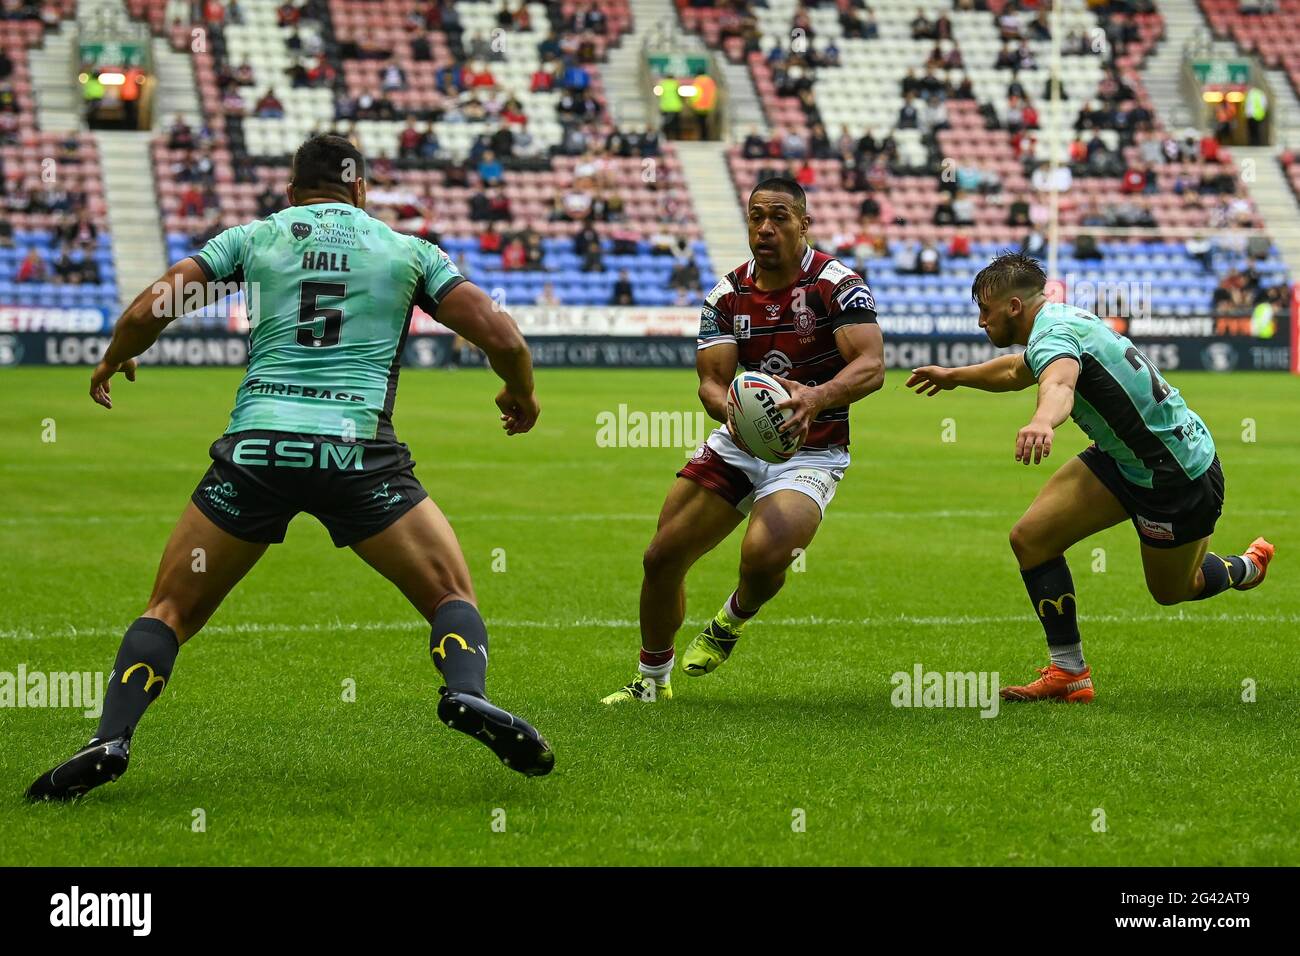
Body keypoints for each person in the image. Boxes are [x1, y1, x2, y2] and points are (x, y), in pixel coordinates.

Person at [26, 134, 555, 802]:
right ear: (361, 189)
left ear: (290, 191)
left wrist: (114, 356)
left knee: (169, 609)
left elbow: (149, 307)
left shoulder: (254, 237)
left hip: (258, 450)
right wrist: (522, 393)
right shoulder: (406, 250)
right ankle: (465, 694)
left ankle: (111, 736)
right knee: (450, 596)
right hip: (357, 454)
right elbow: (502, 336)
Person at [905, 253, 1274, 703]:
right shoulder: (1059, 319)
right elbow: (1018, 370)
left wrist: (1043, 421)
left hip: (1175, 475)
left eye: (986, 310)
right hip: (1123, 459)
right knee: (1031, 539)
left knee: (1175, 589)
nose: (982, 322)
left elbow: (1058, 383)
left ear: (1014, 307)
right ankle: (1069, 671)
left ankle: (1244, 568)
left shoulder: (1054, 335)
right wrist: (954, 376)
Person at [601, 178, 884, 703]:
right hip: (741, 440)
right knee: (662, 557)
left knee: (764, 555)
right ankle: (650, 683)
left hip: (813, 450)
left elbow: (871, 366)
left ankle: (730, 621)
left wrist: (816, 399)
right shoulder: (727, 294)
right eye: (757, 217)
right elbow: (710, 381)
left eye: (779, 216)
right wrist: (733, 411)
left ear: (804, 223)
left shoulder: (836, 284)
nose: (766, 228)